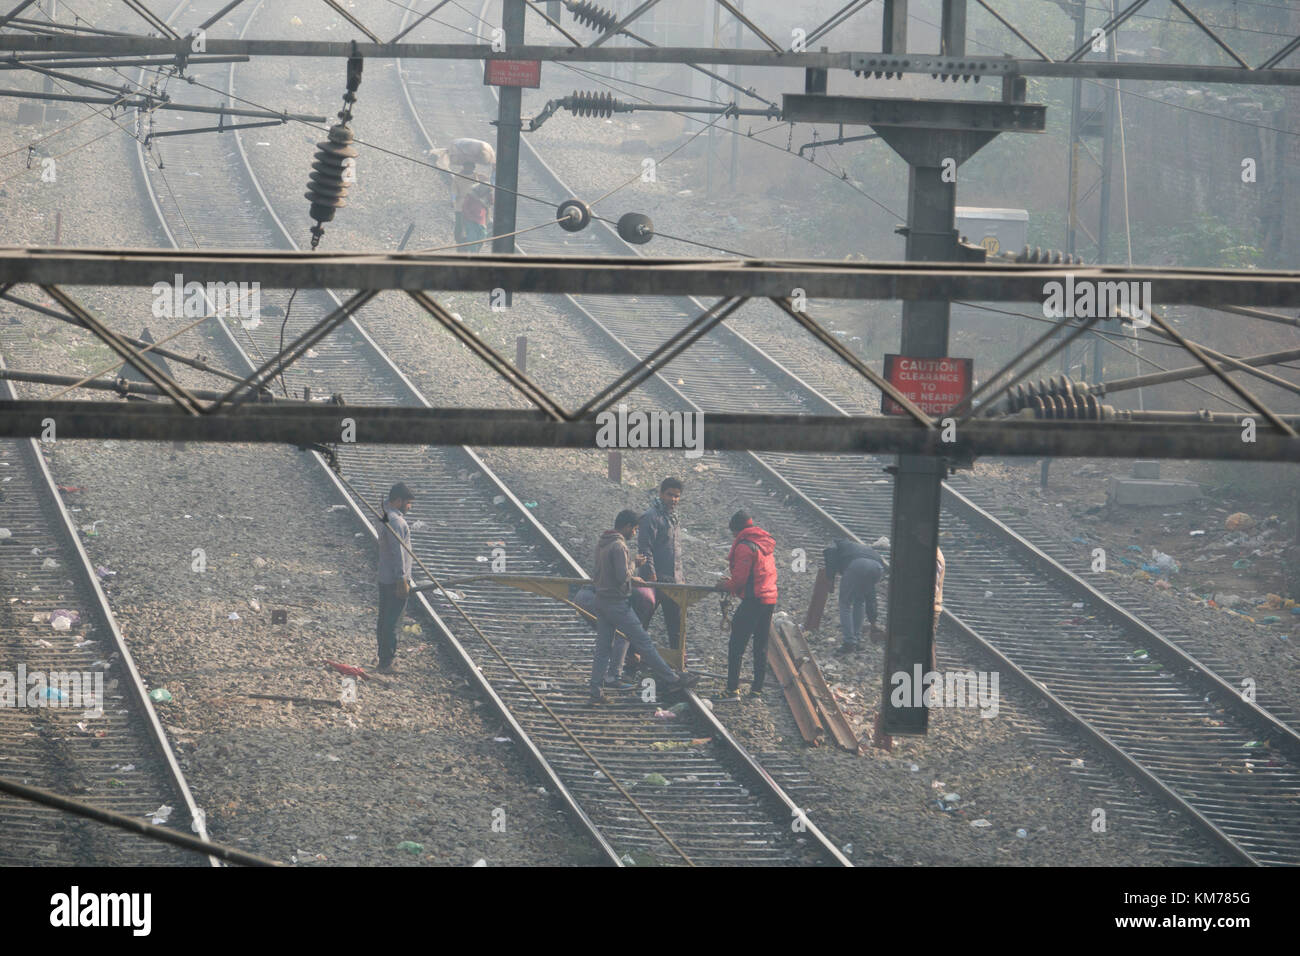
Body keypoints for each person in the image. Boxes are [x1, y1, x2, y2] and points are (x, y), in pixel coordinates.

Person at [590, 509, 699, 705]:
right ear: (627, 527)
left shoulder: (602, 542)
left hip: (601, 600)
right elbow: (622, 576)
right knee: (644, 642)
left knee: (603, 648)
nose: (635, 533)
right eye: (635, 529)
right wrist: (634, 563)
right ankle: (673, 679)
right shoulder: (619, 546)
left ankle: (596, 689)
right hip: (617, 603)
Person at [717, 510, 778, 700]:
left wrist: (725, 585)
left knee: (736, 645)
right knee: (760, 646)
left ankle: (732, 690)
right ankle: (756, 691)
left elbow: (740, 580)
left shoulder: (745, 546)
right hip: (769, 599)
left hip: (753, 600)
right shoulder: (764, 542)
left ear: (736, 530)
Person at [637, 477, 685, 649]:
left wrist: (680, 578)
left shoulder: (673, 518)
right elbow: (645, 548)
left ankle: (679, 667)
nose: (673, 499)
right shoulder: (651, 516)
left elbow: (676, 551)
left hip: (672, 581)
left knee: (676, 625)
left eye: (677, 496)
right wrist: (651, 575)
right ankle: (631, 661)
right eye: (670, 495)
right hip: (654, 580)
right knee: (641, 622)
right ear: (661, 494)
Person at [375, 482, 415, 673]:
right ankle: (386, 663)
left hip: (384, 577)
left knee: (384, 619)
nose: (410, 507)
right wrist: (402, 579)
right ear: (398, 501)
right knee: (392, 621)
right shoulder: (396, 522)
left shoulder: (384, 515)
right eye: (408, 503)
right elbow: (398, 552)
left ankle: (383, 659)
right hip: (395, 580)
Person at [823, 537, 886, 654]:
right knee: (860, 600)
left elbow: (830, 554)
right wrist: (873, 621)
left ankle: (849, 642)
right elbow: (871, 597)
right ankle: (856, 640)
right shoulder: (859, 548)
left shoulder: (834, 543)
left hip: (857, 565)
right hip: (878, 567)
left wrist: (830, 579)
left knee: (845, 603)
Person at [461, 183, 491, 252]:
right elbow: (464, 207)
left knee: (482, 237)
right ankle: (473, 254)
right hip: (471, 220)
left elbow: (490, 203)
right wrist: (469, 216)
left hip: (482, 221)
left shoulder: (487, 195)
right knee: (472, 238)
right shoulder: (470, 196)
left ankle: (476, 252)